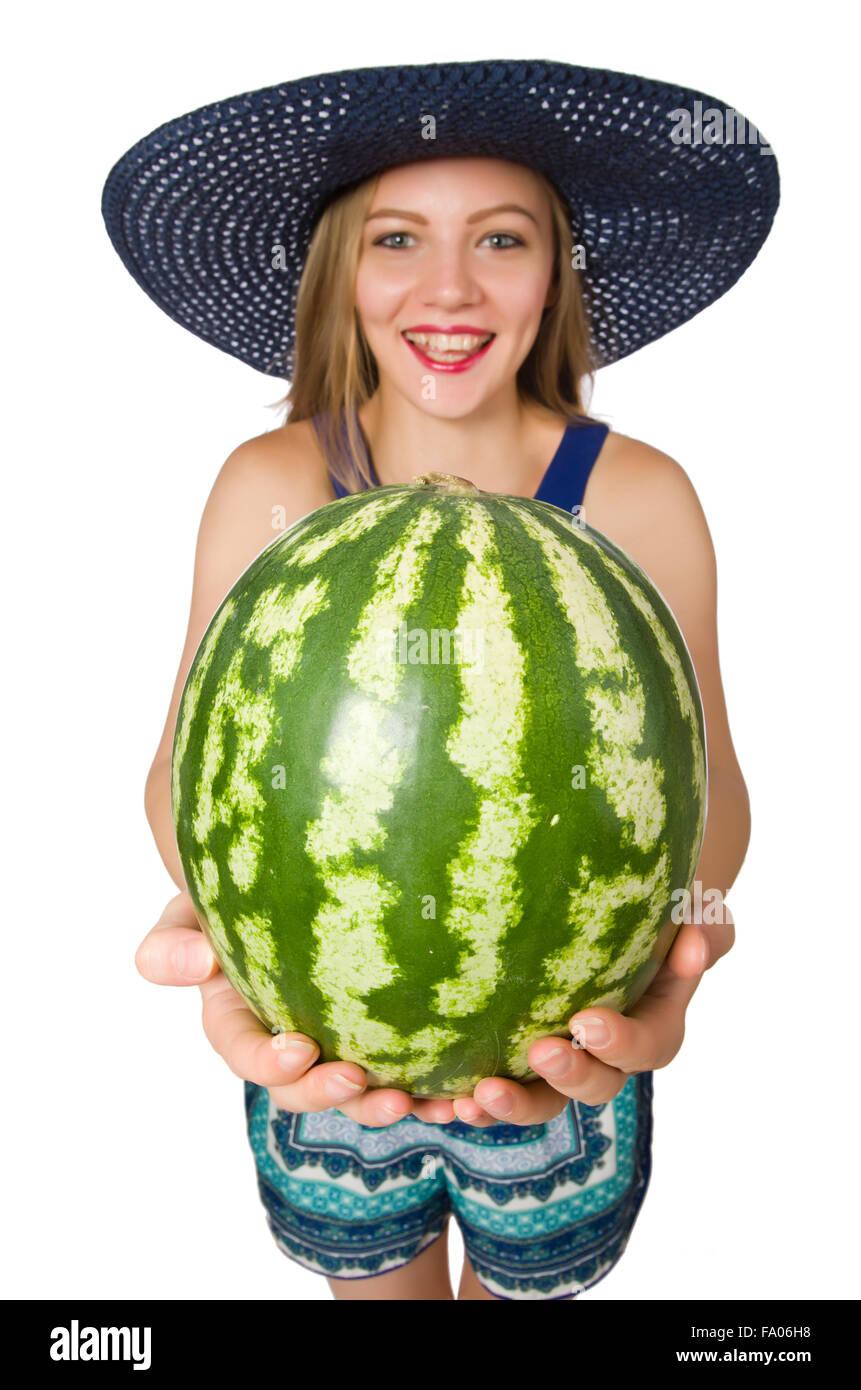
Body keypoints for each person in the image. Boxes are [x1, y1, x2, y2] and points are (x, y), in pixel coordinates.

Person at [104, 58, 778, 1300]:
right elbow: (186, 759)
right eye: (398, 237)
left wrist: (684, 947)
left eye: (503, 239)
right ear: (339, 272)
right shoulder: (270, 483)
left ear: (557, 272)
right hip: (326, 1041)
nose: (451, 287)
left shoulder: (638, 495)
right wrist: (220, 917)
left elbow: (706, 781)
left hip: (568, 1042)